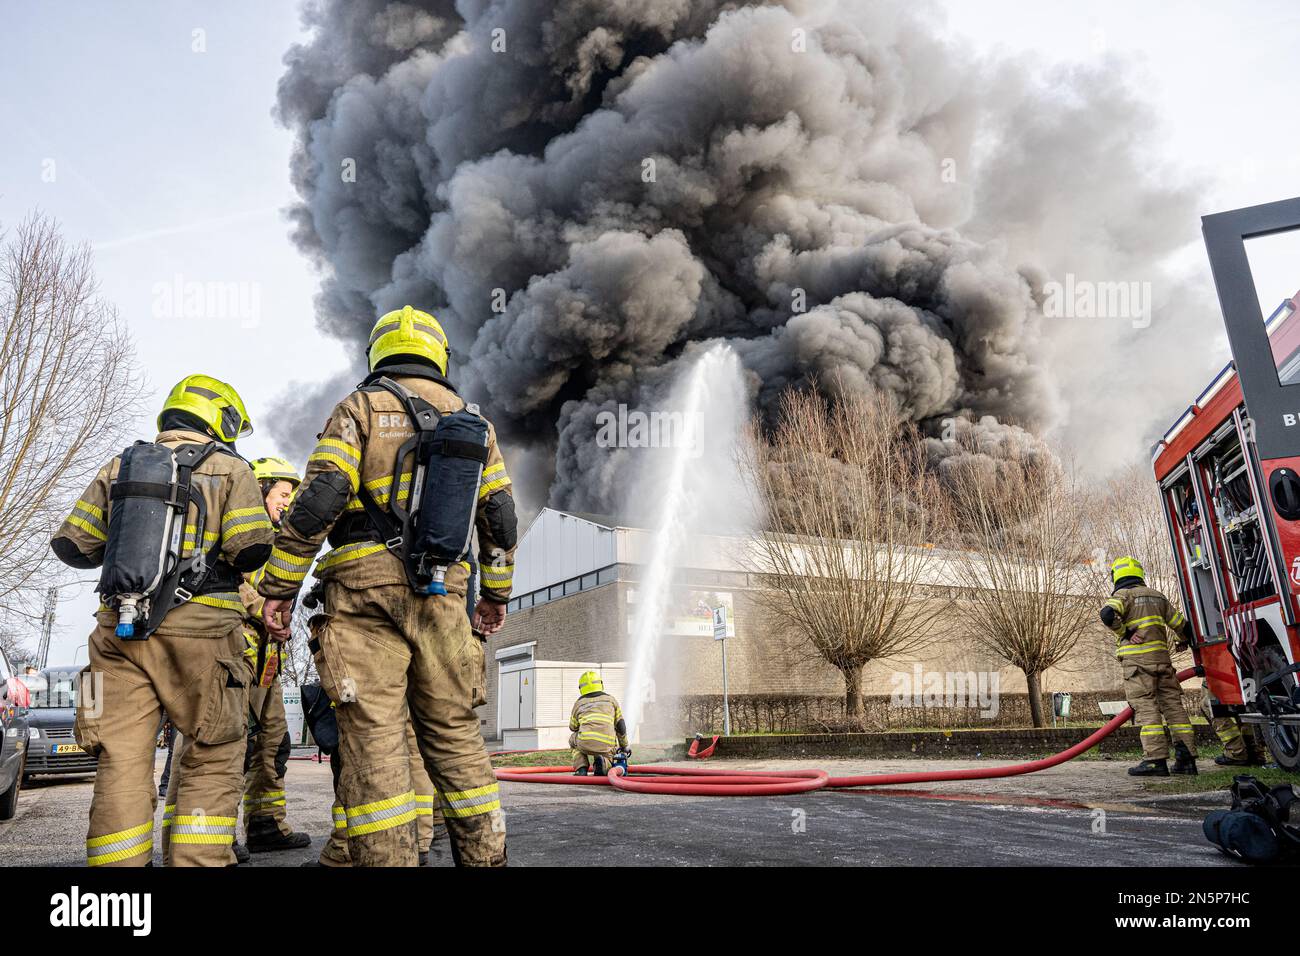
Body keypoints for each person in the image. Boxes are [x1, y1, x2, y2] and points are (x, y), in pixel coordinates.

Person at [258, 305, 517, 867]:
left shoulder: (359, 408)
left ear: (378, 354)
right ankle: (486, 860)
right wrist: (495, 594)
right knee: (456, 736)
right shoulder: (476, 425)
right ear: (437, 355)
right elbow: (499, 517)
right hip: (444, 599)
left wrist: (280, 584)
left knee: (376, 747)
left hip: (362, 598)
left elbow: (321, 498)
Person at [51, 375, 272, 866]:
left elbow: (73, 546)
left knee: (120, 762)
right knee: (212, 756)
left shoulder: (120, 465)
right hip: (204, 636)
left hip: (116, 633)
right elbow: (250, 547)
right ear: (223, 418)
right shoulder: (231, 468)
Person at [236, 456, 312, 853]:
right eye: (284, 494)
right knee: (230, 745)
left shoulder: (278, 542)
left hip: (267, 660)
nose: (289, 502)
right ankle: (210, 837)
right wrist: (259, 609)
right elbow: (225, 581)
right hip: (234, 654)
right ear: (261, 489)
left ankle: (265, 825)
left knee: (273, 742)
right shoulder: (240, 531)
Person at [1099, 556, 1198, 777]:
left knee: (1147, 709)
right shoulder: (1158, 597)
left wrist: (1126, 632)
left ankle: (1155, 761)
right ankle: (1186, 760)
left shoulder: (1123, 595)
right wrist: (1182, 640)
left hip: (1137, 666)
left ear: (1117, 576)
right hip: (1163, 662)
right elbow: (1182, 625)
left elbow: (1106, 614)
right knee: (1174, 708)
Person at [569, 671, 629, 776]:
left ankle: (581, 768)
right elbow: (620, 725)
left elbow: (573, 727)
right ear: (600, 684)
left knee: (572, 740)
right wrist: (624, 746)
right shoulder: (611, 700)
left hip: (585, 742)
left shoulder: (578, 703)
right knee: (608, 755)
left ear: (581, 688)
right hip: (607, 744)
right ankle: (603, 764)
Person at [1199, 685, 1265, 767]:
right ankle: (1254, 751)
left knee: (1211, 705)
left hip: (1219, 674)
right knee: (1246, 704)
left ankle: (1236, 751)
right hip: (1246, 677)